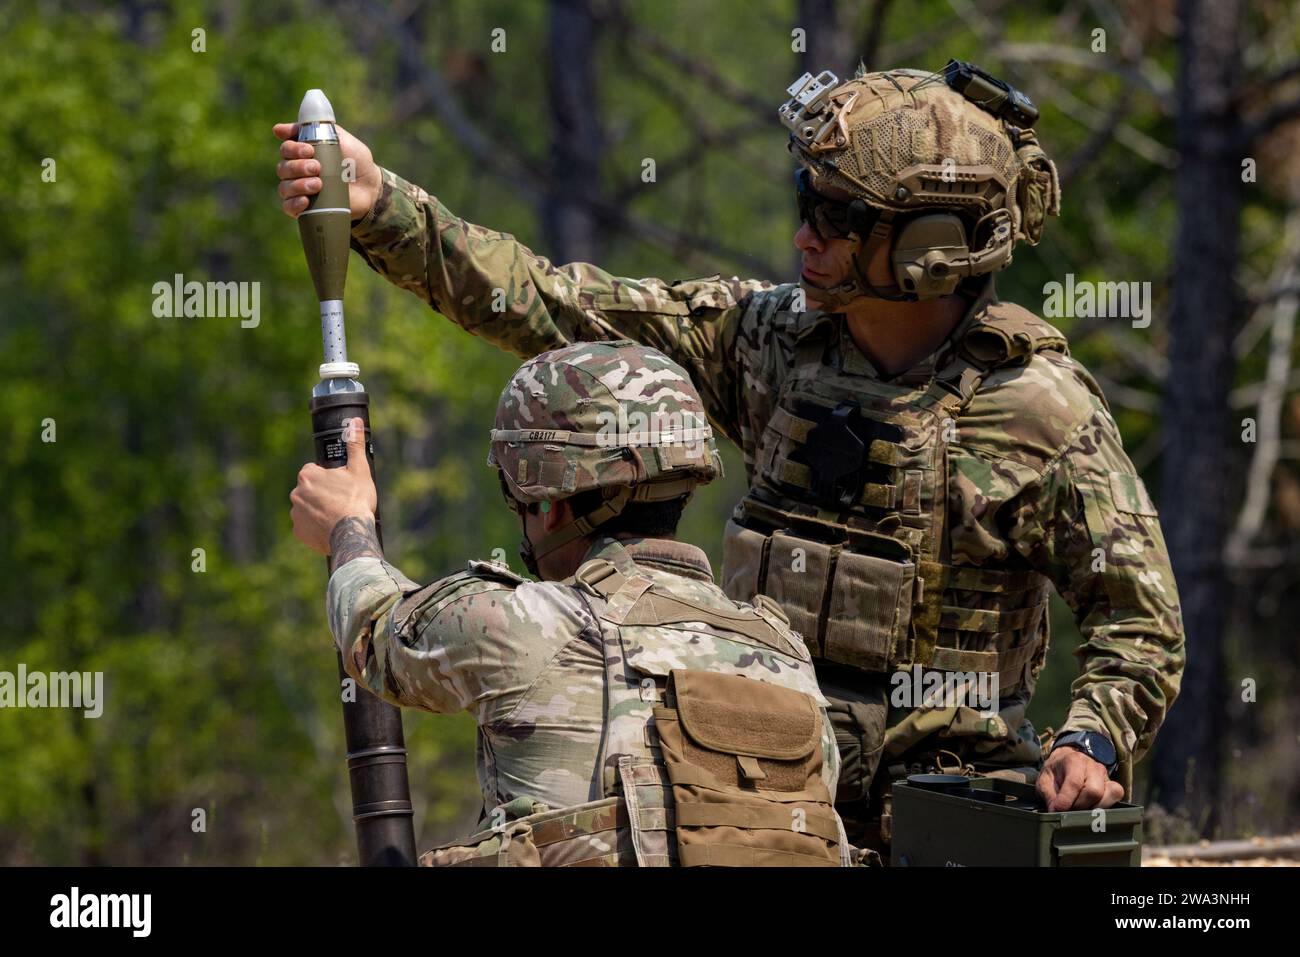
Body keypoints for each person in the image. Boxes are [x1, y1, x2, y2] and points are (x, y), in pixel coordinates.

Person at [276, 60, 1184, 855]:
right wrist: (382, 207)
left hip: (943, 822)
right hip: (756, 808)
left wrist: (1093, 740)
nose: (804, 237)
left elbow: (1141, 623)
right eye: (805, 202)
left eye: (837, 217)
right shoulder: (775, 344)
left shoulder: (1037, 410)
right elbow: (558, 307)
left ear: (926, 245)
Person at [290, 340, 849, 866]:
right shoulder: (789, 663)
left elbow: (373, 629)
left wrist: (348, 525)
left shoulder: (532, 624)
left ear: (549, 505)